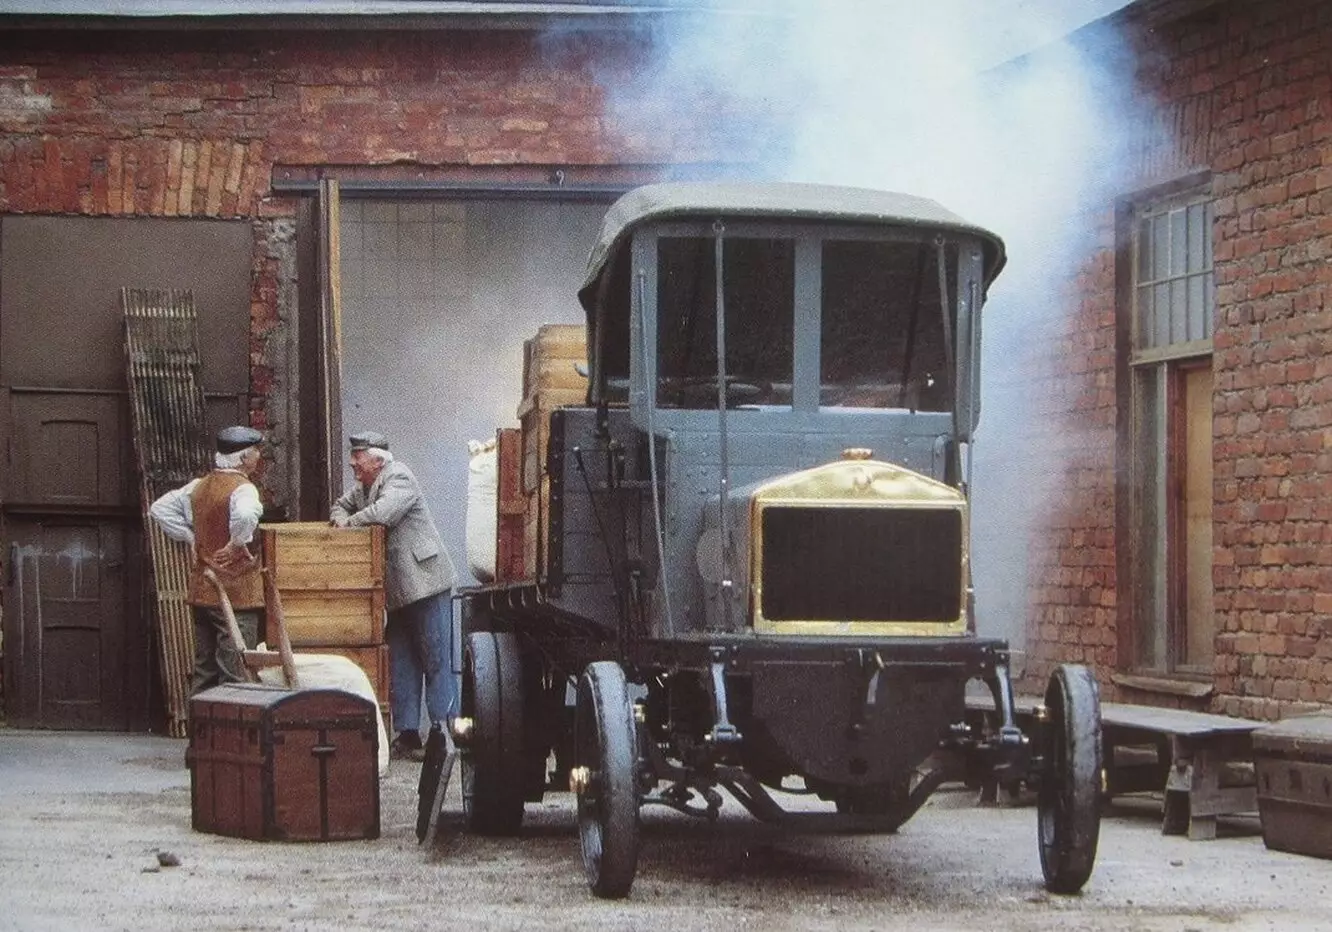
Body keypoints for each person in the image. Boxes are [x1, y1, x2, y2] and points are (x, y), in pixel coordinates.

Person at [331, 431, 457, 761]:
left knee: (435, 660)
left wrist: (348, 524)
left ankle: (443, 735)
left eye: (358, 456)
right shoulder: (366, 486)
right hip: (400, 589)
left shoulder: (399, 475)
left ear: (377, 459)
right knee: (402, 662)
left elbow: (383, 514)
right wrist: (341, 519)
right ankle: (408, 734)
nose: (352, 463)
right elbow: (340, 506)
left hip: (425, 583)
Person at [149, 425, 266, 695]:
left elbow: (160, 509)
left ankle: (198, 735)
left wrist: (191, 537)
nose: (259, 456)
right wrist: (237, 543)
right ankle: (228, 736)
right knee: (236, 670)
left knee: (204, 672)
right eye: (255, 451)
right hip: (236, 594)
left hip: (202, 590)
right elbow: (247, 515)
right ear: (243, 458)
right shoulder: (244, 489)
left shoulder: (198, 487)